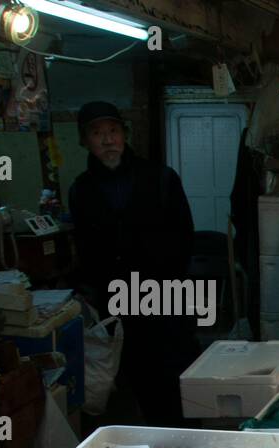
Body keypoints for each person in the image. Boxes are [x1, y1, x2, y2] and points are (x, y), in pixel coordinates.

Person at [68, 100, 198, 426]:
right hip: (118, 301)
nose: (108, 139)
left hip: (166, 294)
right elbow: (84, 246)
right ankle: (156, 445)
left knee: (179, 371)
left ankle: (193, 444)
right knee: (137, 376)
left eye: (113, 131)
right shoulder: (81, 190)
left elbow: (184, 235)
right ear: (85, 141)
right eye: (98, 133)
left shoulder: (160, 177)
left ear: (124, 135)